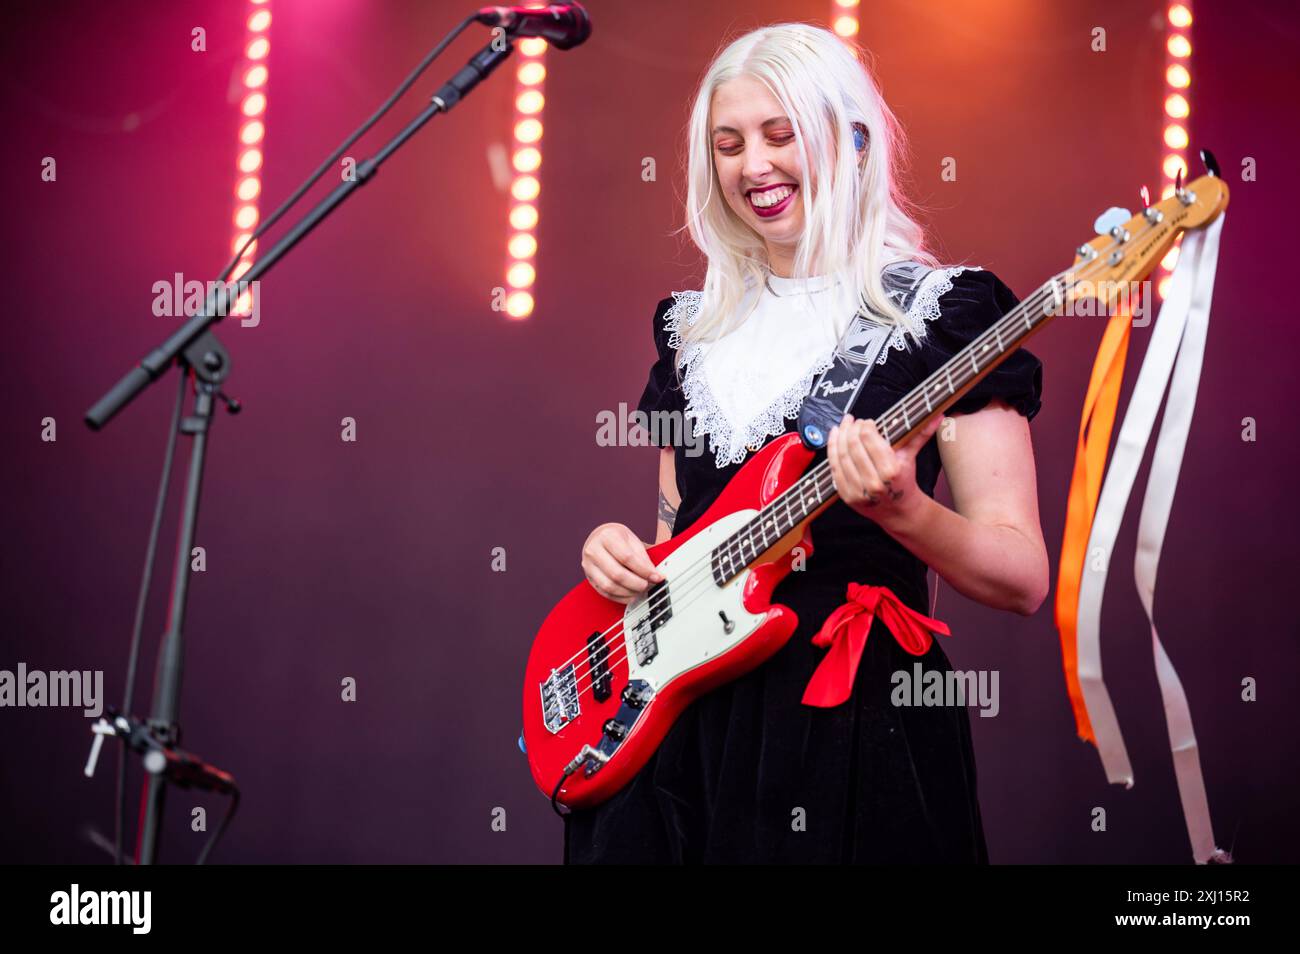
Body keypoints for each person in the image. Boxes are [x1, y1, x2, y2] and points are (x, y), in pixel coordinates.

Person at [567, 22, 1048, 864]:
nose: (753, 165)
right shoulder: (691, 330)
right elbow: (677, 541)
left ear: (852, 140)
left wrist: (907, 511)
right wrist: (622, 556)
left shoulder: (947, 314)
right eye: (729, 144)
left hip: (853, 715)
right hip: (683, 724)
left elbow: (1021, 577)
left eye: (780, 134)